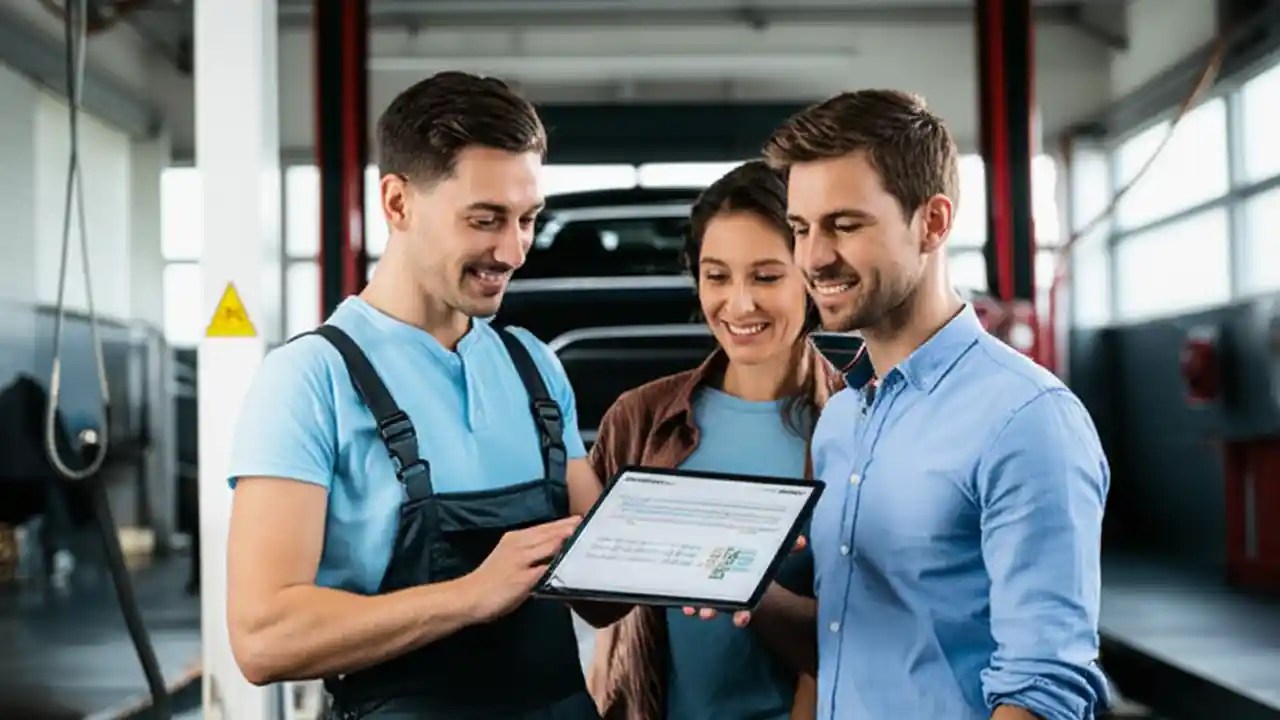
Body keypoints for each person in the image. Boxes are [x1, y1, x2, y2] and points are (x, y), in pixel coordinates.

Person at [223, 71, 622, 719]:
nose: (514, 250)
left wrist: (711, 561)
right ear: (398, 203)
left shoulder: (533, 367)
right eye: (486, 220)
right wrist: (470, 595)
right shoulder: (310, 380)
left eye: (528, 220)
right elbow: (263, 638)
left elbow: (605, 587)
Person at [762, 90, 1112, 719]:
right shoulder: (843, 419)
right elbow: (850, 640)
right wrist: (737, 589)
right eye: (800, 228)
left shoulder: (1026, 420)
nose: (812, 258)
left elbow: (1043, 692)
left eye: (845, 225)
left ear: (933, 222)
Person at [585, 160, 841, 720]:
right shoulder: (642, 418)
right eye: (717, 275)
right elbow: (603, 612)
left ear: (810, 277)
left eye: (767, 276)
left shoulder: (853, 427)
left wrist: (743, 584)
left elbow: (867, 636)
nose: (739, 304)